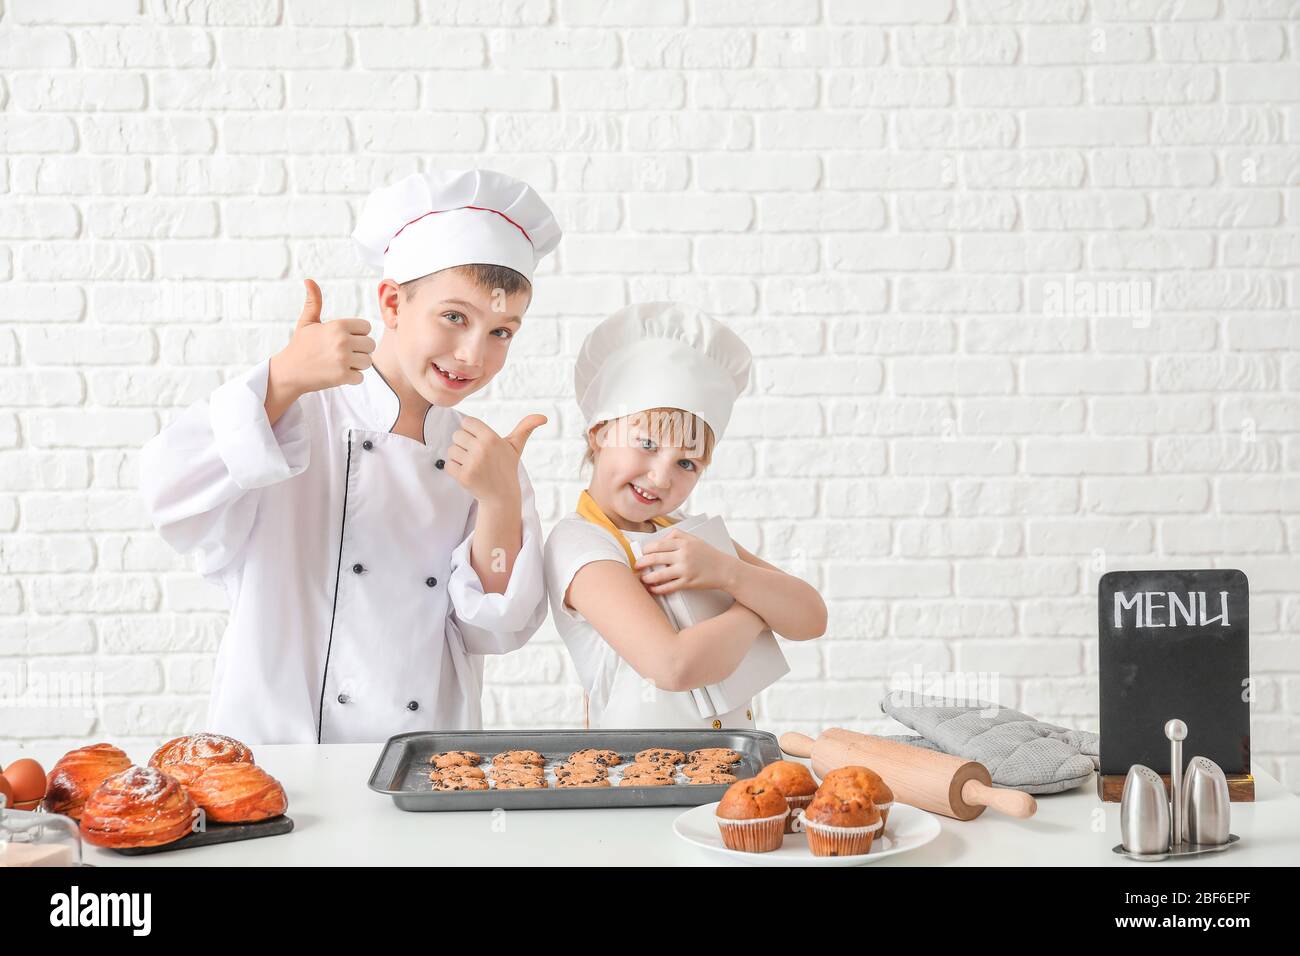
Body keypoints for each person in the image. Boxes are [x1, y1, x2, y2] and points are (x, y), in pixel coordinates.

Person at [139, 169, 560, 744]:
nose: (473, 355)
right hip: (280, 757)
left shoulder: (486, 459)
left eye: (502, 332)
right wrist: (282, 379)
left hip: (422, 762)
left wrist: (500, 500)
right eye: (454, 317)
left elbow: (495, 630)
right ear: (391, 302)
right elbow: (170, 496)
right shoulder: (295, 416)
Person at [543, 302, 827, 729]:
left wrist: (729, 574)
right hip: (641, 778)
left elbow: (810, 618)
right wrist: (757, 609)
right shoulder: (581, 544)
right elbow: (672, 666)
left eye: (687, 463)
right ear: (600, 433)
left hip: (728, 766)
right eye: (647, 445)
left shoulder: (685, 534)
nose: (660, 477)